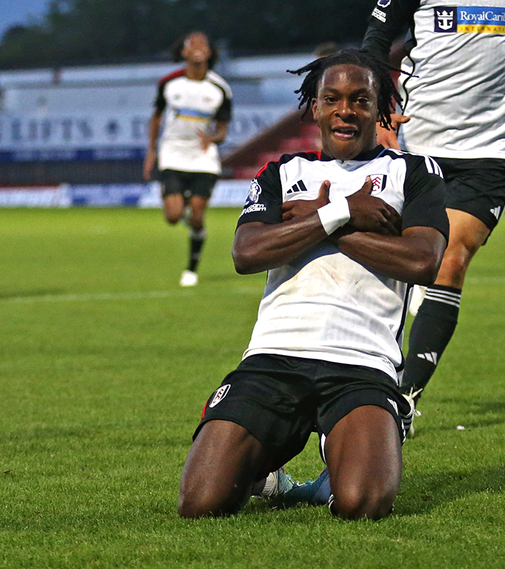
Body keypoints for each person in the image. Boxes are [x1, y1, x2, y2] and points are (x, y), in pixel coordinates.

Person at [177, 49, 449, 520]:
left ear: (380, 106)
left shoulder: (415, 174)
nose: (346, 110)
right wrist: (344, 212)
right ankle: (270, 473)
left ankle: (339, 444)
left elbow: (423, 261)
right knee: (201, 502)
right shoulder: (283, 171)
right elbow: (247, 253)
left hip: (362, 363)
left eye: (361, 100)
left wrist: (321, 222)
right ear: (316, 107)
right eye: (333, 99)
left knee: (361, 504)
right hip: (273, 358)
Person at [362, 0, 505, 433]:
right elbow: (376, 37)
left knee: (451, 258)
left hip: (490, 150)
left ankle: (404, 399)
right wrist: (381, 105)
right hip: (418, 141)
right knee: (402, 259)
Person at [143, 31, 232, 287]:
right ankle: (184, 210)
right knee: (172, 216)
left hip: (203, 158)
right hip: (172, 153)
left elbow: (223, 129)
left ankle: (191, 268)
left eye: (203, 43)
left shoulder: (220, 89)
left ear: (209, 52)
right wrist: (151, 151)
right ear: (183, 52)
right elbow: (156, 117)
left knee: (196, 216)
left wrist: (213, 138)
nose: (197, 47)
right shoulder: (169, 83)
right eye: (191, 43)